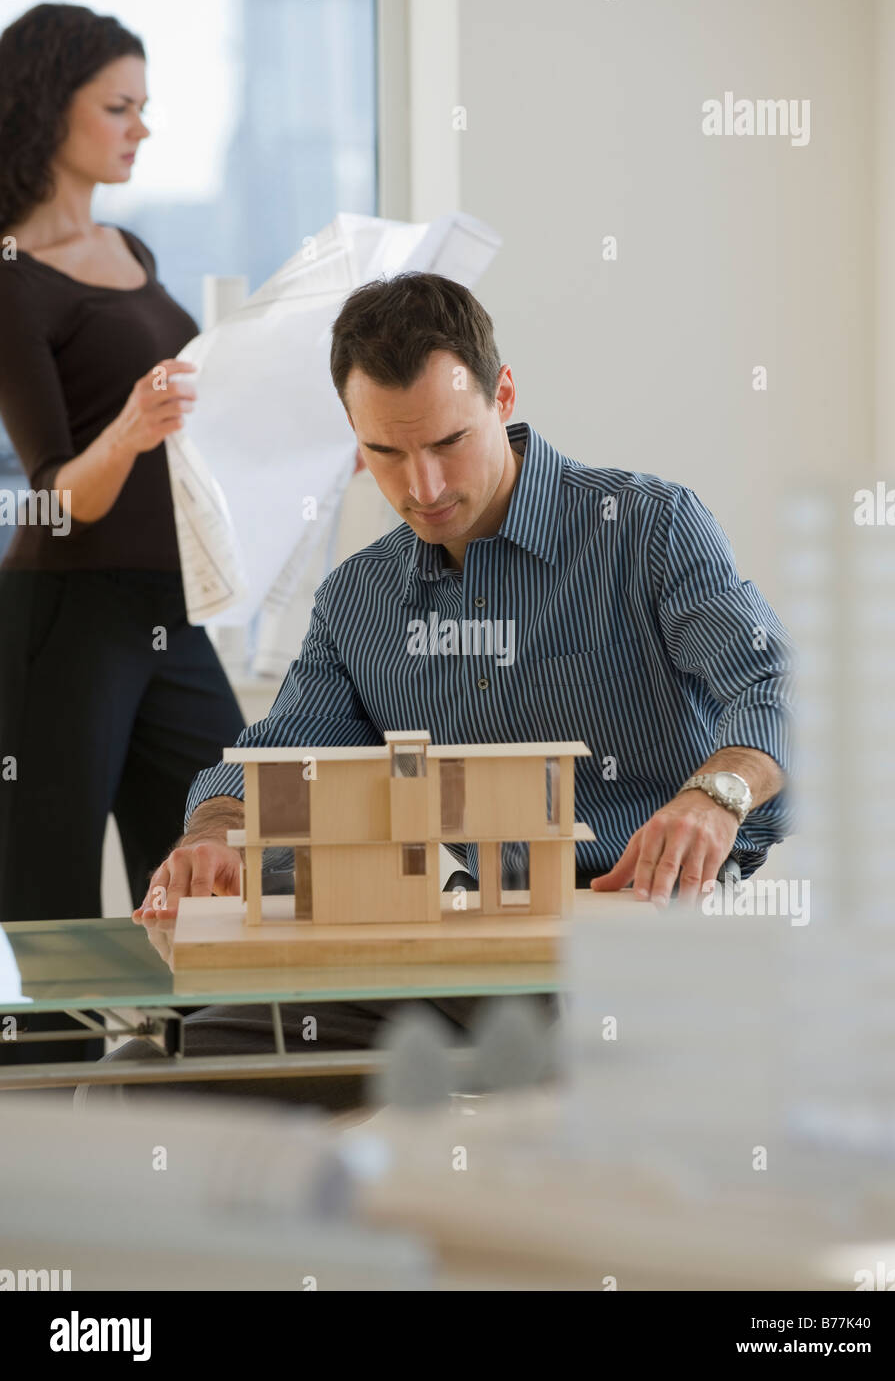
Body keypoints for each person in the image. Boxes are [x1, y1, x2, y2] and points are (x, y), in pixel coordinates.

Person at [87, 271, 794, 1108]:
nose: (422, 488)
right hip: (421, 968)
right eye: (386, 453)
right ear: (353, 434)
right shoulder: (359, 596)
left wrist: (714, 795)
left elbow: (772, 682)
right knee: (139, 1088)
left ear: (502, 394)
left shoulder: (648, 529)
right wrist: (215, 828)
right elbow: (282, 755)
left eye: (447, 442)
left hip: (620, 962)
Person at [0, 4, 245, 1067]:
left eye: (145, 106)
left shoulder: (129, 247)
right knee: (46, 894)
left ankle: (213, 1073)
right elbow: (54, 492)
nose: (140, 128)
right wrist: (137, 425)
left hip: (167, 605)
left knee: (226, 825)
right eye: (119, 107)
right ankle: (39, 1129)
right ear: (49, 108)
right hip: (63, 612)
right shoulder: (11, 274)